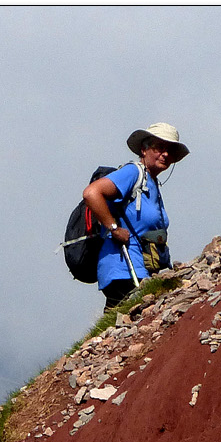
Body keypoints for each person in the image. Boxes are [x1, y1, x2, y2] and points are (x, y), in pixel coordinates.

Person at [82, 123, 189, 310]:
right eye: (159, 148)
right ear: (144, 149)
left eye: (170, 150)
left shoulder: (151, 182)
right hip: (124, 268)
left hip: (141, 269)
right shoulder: (133, 172)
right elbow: (92, 193)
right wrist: (114, 228)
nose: (165, 154)